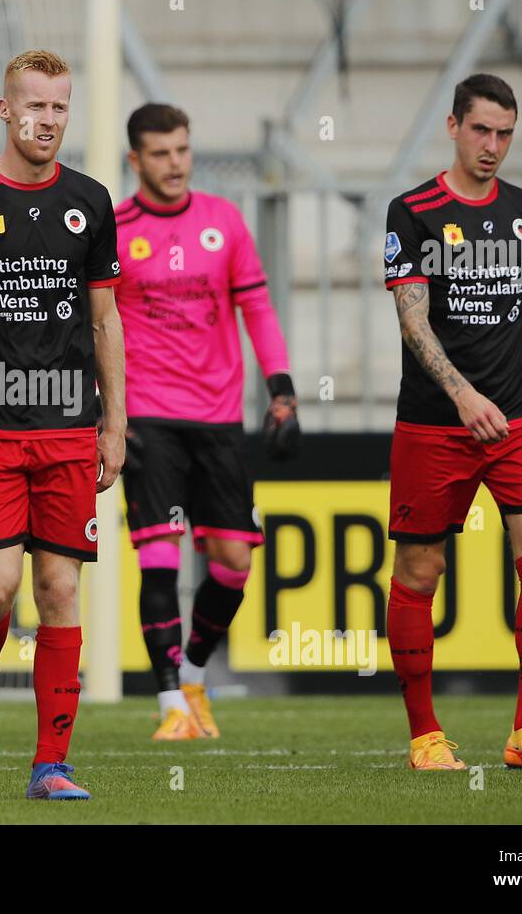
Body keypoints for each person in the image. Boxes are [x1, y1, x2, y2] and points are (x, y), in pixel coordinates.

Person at [0, 50, 125, 800]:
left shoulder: (91, 201)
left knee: (60, 590)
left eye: (60, 107)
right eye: (34, 106)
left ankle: (51, 766)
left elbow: (105, 321)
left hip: (71, 425)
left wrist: (116, 421)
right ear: (6, 109)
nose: (47, 120)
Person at [383, 73, 522, 771]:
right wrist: (464, 395)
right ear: (453, 125)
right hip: (436, 425)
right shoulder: (412, 211)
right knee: (420, 570)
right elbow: (413, 320)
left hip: (520, 424)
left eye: (504, 133)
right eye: (481, 130)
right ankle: (424, 736)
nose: (493, 145)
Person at [115, 103, 297, 740]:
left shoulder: (224, 221)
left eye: (183, 150)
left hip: (219, 418)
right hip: (148, 419)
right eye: (161, 154)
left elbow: (258, 309)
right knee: (158, 560)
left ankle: (193, 676)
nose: (175, 164)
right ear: (136, 160)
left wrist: (281, 389)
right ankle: (169, 706)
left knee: (231, 564)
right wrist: (108, 415)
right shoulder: (114, 231)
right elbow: (94, 329)